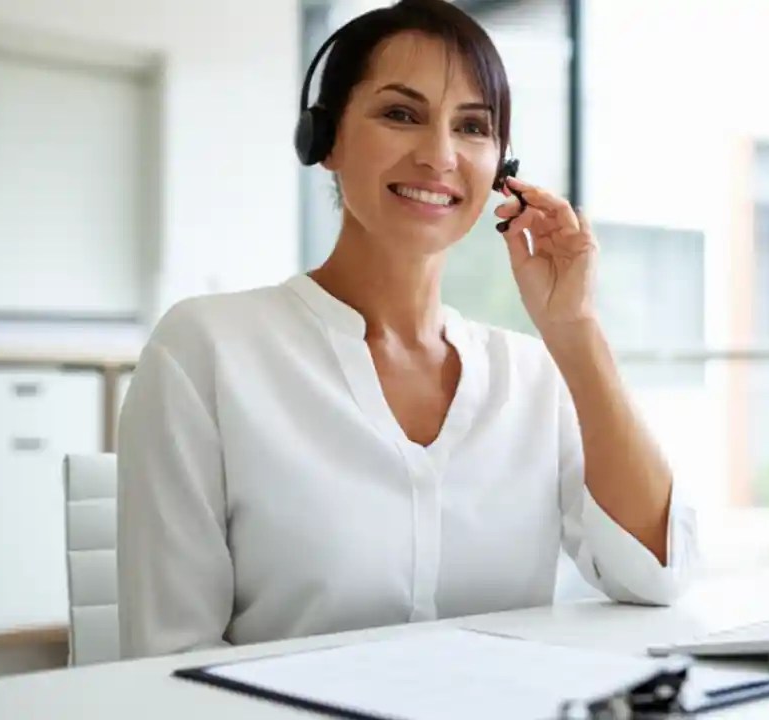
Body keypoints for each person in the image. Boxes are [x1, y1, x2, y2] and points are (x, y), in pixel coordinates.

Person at [117, 0, 697, 659]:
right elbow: (169, 662)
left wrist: (576, 330)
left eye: (473, 127)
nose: (439, 155)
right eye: (401, 114)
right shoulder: (207, 350)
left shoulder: (531, 374)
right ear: (326, 139)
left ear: (500, 166)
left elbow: (657, 574)